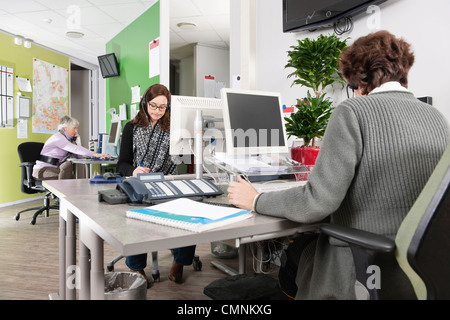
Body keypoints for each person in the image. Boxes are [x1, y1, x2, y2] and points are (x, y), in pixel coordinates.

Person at [227, 30, 450, 299]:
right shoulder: (436, 117)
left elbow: (316, 203)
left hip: (360, 266)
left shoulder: (353, 111)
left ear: (360, 80)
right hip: (419, 269)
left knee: (296, 248)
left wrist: (256, 199)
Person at [117, 83, 196, 283]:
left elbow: (185, 158)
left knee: (190, 213)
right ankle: (136, 268)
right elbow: (122, 164)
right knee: (136, 218)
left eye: (162, 107)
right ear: (145, 103)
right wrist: (133, 170)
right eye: (153, 105)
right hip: (140, 183)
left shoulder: (174, 128)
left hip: (167, 182)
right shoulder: (131, 128)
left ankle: (180, 262)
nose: (157, 111)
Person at [33, 115, 111, 180]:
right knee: (71, 178)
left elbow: (79, 157)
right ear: (65, 128)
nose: (76, 131)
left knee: (72, 177)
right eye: (74, 128)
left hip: (53, 169)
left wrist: (78, 141)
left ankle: (64, 196)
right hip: (42, 170)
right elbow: (75, 149)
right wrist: (95, 154)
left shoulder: (67, 139)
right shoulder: (58, 137)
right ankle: (63, 197)